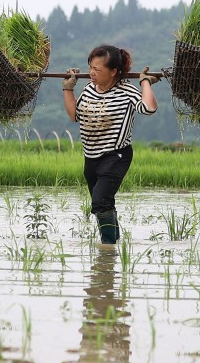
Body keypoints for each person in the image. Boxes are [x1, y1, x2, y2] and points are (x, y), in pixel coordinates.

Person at [63, 45, 158, 245]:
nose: (91, 73)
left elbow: (149, 108)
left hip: (116, 156)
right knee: (104, 204)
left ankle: (107, 247)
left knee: (99, 201)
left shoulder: (127, 91)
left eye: (97, 69)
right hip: (91, 156)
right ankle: (112, 247)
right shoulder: (89, 89)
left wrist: (145, 82)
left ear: (113, 71)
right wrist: (68, 89)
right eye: (90, 67)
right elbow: (74, 115)